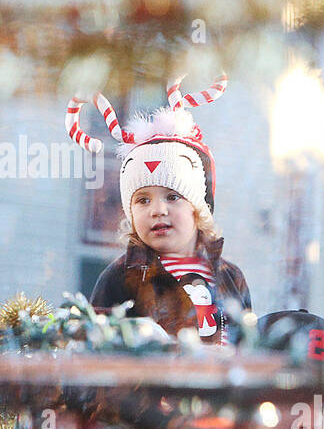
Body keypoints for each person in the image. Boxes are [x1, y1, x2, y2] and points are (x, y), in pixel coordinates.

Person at [66, 74, 251, 345]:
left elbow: (249, 347)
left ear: (197, 208)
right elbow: (96, 356)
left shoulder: (229, 277)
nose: (157, 210)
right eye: (142, 200)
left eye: (173, 196)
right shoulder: (121, 277)